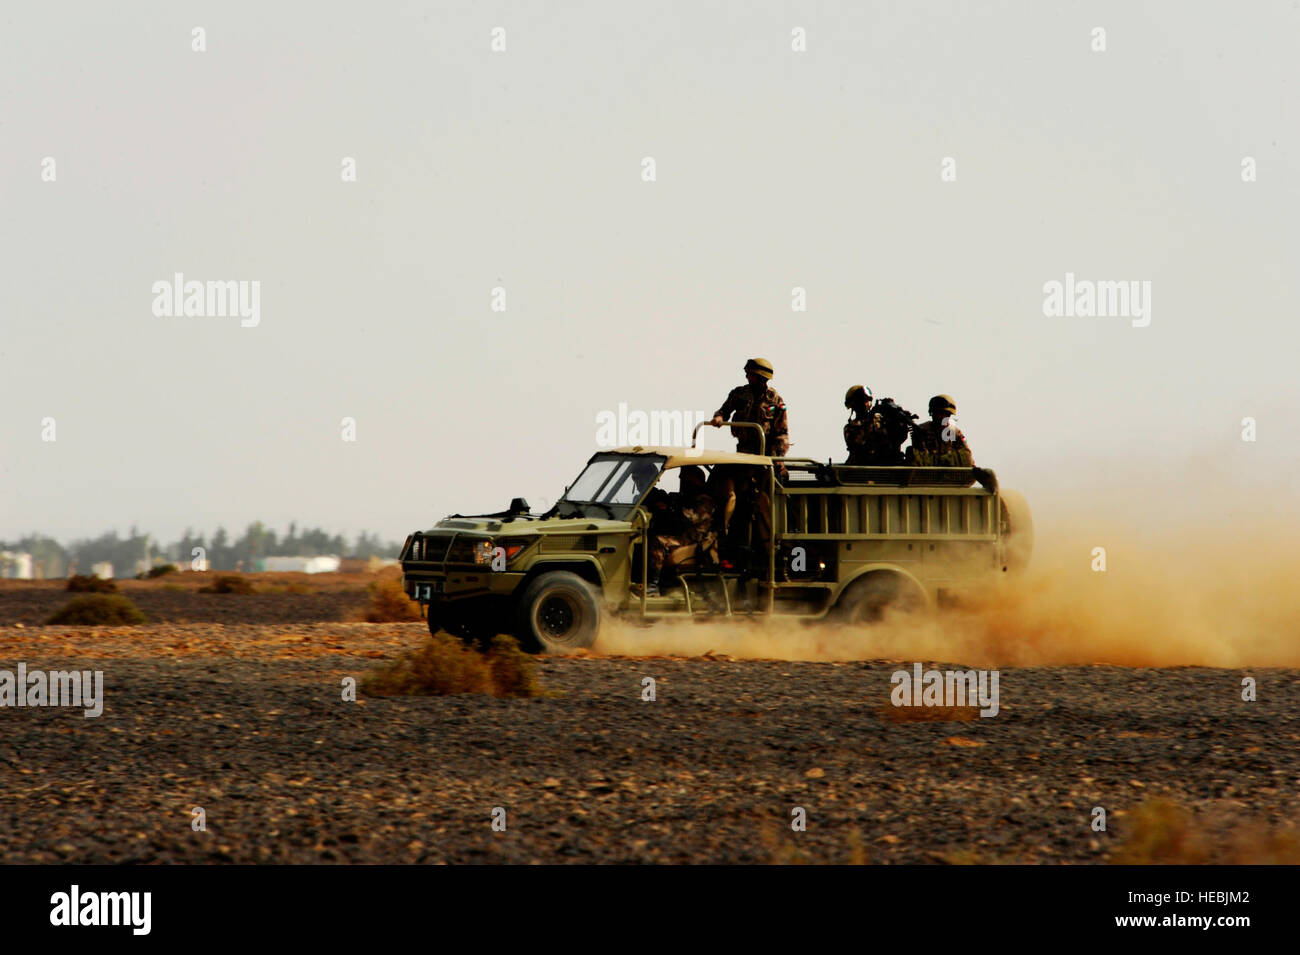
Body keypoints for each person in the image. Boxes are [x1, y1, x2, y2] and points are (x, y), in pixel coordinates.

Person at [709, 358, 788, 553]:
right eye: (747, 373)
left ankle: (766, 547)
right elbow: (724, 410)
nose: (747, 377)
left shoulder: (775, 400)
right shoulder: (739, 393)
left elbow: (781, 432)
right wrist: (719, 418)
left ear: (762, 377)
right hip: (743, 452)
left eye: (751, 374)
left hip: (765, 456)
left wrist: (777, 459)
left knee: (760, 502)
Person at [659, 466, 720, 590]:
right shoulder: (689, 498)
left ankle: (653, 585)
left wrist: (668, 510)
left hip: (697, 543)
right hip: (686, 538)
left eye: (685, 480)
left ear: (695, 481)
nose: (682, 483)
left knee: (657, 542)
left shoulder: (704, 501)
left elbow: (691, 518)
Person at [906, 394, 974, 467]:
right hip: (927, 472)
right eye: (937, 413)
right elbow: (919, 457)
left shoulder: (954, 432)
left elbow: (966, 456)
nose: (941, 417)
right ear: (932, 413)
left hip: (950, 472)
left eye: (944, 414)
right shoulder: (922, 430)